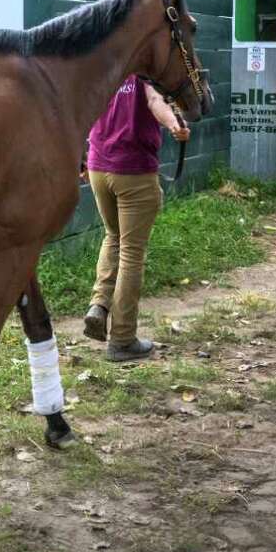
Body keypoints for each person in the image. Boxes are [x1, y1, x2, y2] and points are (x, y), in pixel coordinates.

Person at [82, 75, 190, 362]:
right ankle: (122, 339)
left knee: (113, 236)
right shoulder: (145, 69)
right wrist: (175, 125)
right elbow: (155, 100)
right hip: (133, 170)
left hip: (98, 167)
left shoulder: (106, 64)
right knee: (131, 253)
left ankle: (99, 304)